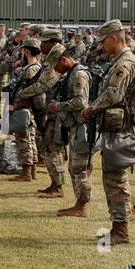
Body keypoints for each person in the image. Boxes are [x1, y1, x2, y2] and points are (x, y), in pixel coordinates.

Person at [78, 19, 135, 244]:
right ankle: (117, 228)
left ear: (115, 38)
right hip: (113, 127)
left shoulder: (125, 63)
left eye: (104, 41)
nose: (102, 45)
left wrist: (90, 109)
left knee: (116, 180)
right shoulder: (118, 60)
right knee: (112, 178)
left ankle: (121, 231)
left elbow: (114, 94)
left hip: (119, 130)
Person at [18, 28, 67, 197]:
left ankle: (58, 186)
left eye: (44, 42)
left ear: (53, 42)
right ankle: (54, 184)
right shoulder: (51, 57)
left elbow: (43, 84)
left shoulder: (57, 57)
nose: (41, 45)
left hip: (56, 109)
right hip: (50, 107)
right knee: (48, 148)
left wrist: (23, 94)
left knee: (55, 149)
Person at [52, 51, 94, 218]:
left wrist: (59, 106)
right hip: (75, 126)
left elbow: (81, 101)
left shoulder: (79, 75)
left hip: (83, 127)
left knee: (80, 167)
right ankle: (79, 203)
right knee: (75, 167)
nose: (56, 70)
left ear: (64, 59)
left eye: (57, 65)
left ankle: (82, 206)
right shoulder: (71, 74)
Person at [6, 38, 42, 182]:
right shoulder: (37, 67)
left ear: (26, 51)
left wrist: (15, 105)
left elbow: (24, 90)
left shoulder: (30, 69)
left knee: (23, 139)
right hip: (30, 108)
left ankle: (26, 173)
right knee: (31, 138)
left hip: (23, 107)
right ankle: (32, 171)